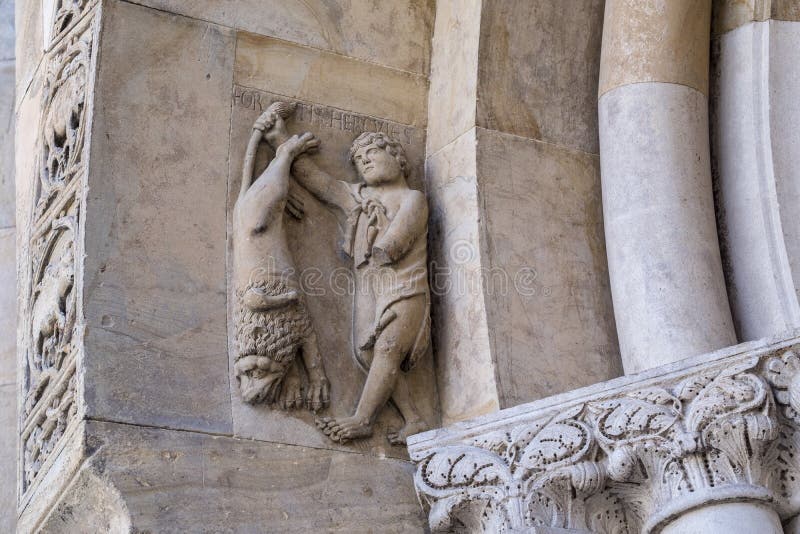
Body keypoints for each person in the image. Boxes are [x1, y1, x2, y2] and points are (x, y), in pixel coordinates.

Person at [264, 110, 430, 445]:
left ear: (397, 159)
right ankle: (414, 418)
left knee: (388, 347)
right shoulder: (359, 197)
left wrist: (378, 237)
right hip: (369, 286)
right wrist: (281, 142)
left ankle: (362, 419)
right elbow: (319, 182)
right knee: (367, 353)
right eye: (358, 160)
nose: (365, 162)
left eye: (373, 154)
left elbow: (396, 241)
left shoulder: (412, 198)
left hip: (403, 287)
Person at [232, 105, 329, 411]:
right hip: (272, 264)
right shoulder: (285, 338)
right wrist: (314, 378)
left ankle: (285, 152)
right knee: (262, 214)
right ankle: (276, 150)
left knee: (255, 222)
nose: (253, 375)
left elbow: (252, 300)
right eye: (256, 374)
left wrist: (284, 298)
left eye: (249, 373)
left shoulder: (253, 334)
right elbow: (306, 336)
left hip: (259, 261)